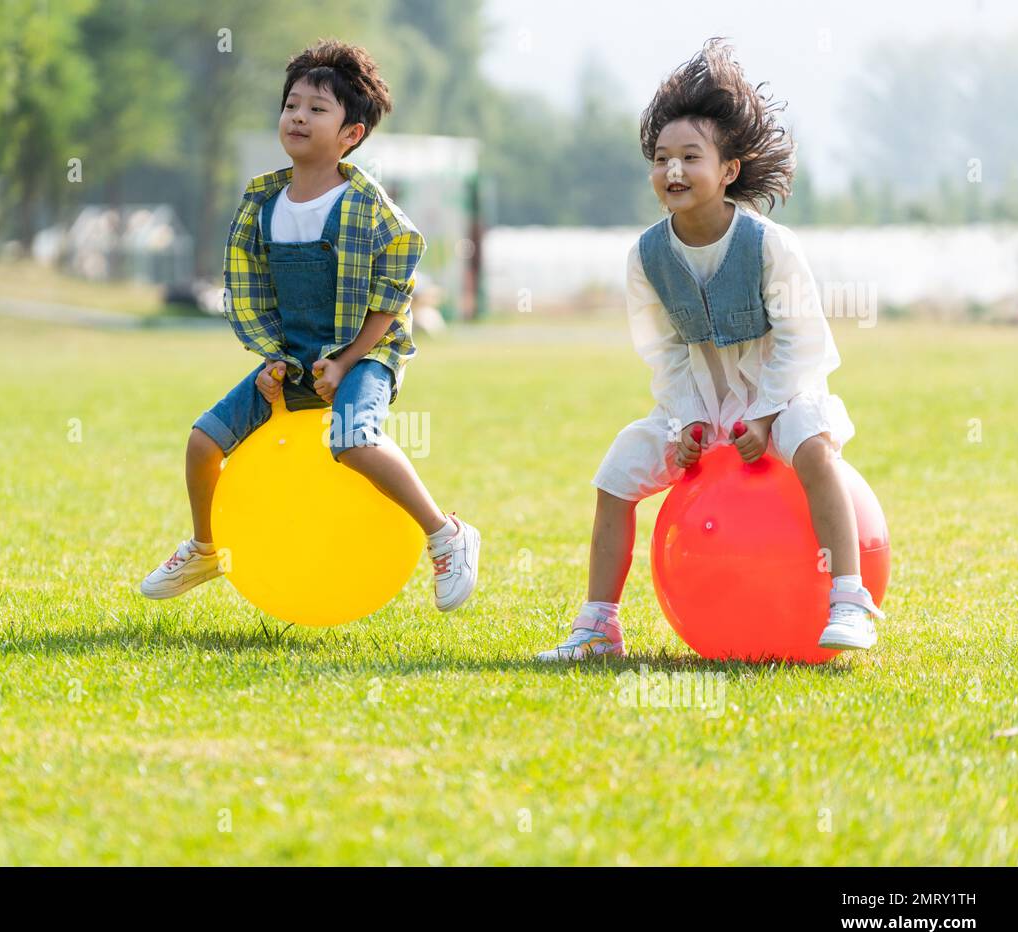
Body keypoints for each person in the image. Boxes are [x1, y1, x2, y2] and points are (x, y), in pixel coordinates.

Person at [538, 38, 882, 661]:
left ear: (728, 170)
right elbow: (664, 352)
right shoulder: (646, 256)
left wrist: (768, 412)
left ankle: (850, 597)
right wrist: (687, 419)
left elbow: (804, 338)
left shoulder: (768, 243)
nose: (673, 171)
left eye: (690, 157)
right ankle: (599, 625)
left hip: (782, 397)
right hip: (702, 406)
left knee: (812, 444)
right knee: (617, 470)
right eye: (661, 158)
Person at [141, 39, 480, 613]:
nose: (298, 116)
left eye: (317, 109)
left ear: (352, 134)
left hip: (366, 355)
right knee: (203, 442)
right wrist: (273, 358)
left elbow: (393, 295)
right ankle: (205, 545)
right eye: (291, 104)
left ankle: (445, 533)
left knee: (351, 442)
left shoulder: (369, 209)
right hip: (293, 355)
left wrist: (348, 361)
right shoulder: (263, 205)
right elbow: (255, 290)